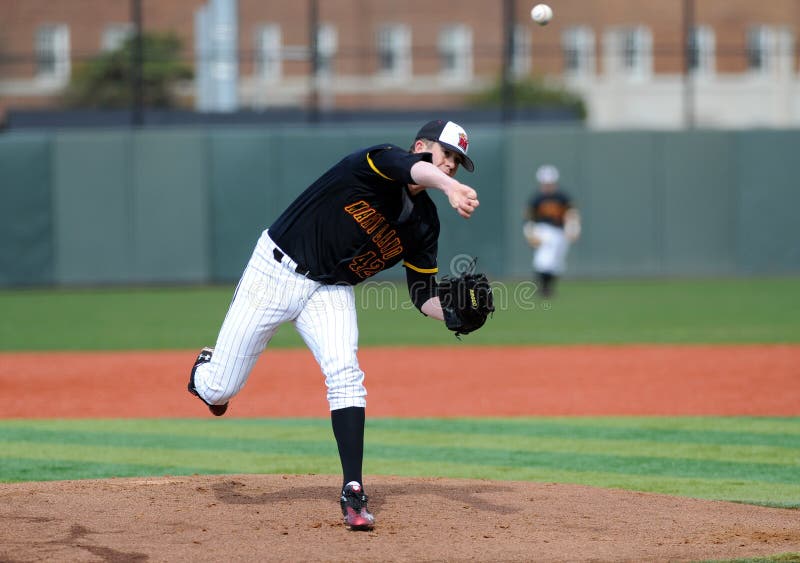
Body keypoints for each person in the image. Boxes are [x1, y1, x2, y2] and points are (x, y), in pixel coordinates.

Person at [187, 119, 480, 531]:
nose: (449, 165)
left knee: (346, 374)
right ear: (420, 147)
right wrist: (451, 188)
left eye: (457, 162)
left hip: (330, 290)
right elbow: (414, 171)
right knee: (220, 389)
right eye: (446, 154)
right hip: (274, 270)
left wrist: (452, 315)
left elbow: (422, 293)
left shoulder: (425, 223)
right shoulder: (377, 161)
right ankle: (206, 368)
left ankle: (353, 490)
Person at [522, 164, 581, 298]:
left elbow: (572, 213)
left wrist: (574, 228)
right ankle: (542, 288)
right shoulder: (536, 198)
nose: (547, 185)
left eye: (550, 183)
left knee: (557, 262)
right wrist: (529, 233)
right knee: (544, 259)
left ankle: (548, 289)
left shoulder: (562, 197)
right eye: (545, 183)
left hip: (560, 231)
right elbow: (528, 217)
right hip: (543, 230)